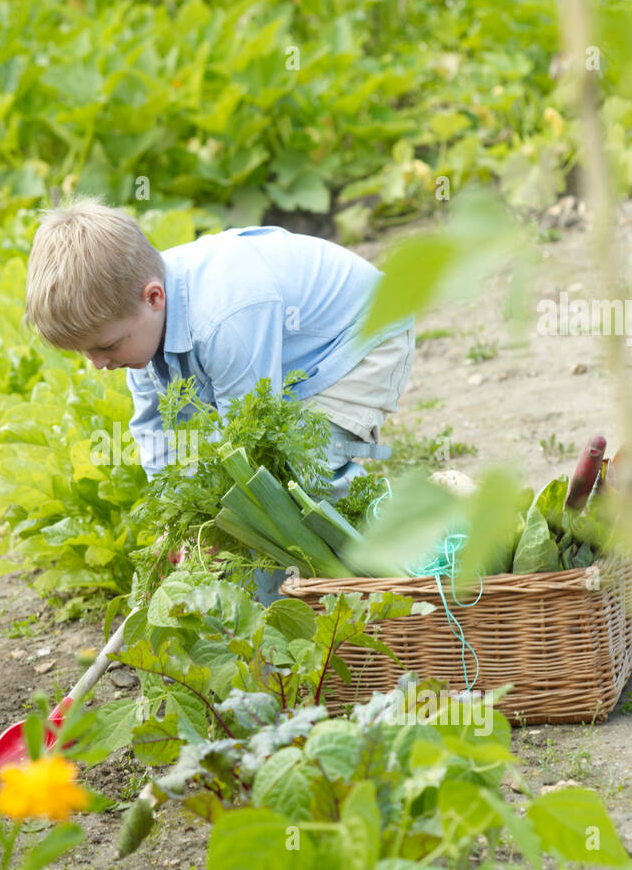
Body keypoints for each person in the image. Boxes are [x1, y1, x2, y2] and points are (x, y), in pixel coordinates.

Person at [24, 196, 415, 604]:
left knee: (302, 474)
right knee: (261, 506)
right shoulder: (136, 332)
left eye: (105, 347)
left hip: (360, 338)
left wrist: (214, 530)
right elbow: (156, 436)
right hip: (285, 364)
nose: (98, 364)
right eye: (85, 353)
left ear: (153, 298)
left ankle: (405, 573)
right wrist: (179, 522)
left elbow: (248, 449)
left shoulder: (223, 318)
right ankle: (279, 615)